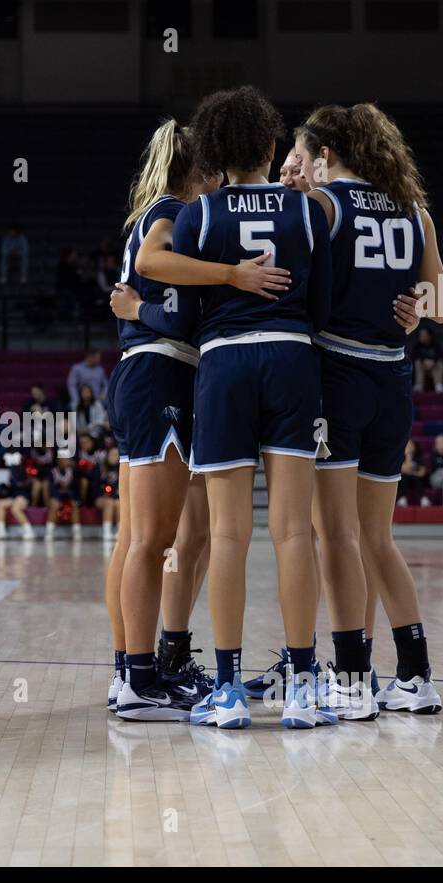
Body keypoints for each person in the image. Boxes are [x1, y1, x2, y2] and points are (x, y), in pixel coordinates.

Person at [116, 88, 338, 729]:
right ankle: (301, 683)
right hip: (293, 359)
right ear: (272, 148)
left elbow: (176, 294)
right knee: (296, 530)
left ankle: (229, 687)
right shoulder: (305, 211)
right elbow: (319, 307)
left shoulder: (200, 216)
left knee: (228, 535)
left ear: (213, 152)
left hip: (223, 367)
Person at [295, 101, 443, 718]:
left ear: (327, 155)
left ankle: (352, 681)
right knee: (376, 538)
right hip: (393, 382)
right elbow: (440, 303)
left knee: (334, 534)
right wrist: (412, 303)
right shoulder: (415, 211)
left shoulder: (327, 205)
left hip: (338, 378)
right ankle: (415, 676)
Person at [0, 451, 34, 540]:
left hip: (24, 497)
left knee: (15, 508)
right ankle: (1, 531)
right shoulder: (11, 471)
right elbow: (9, 487)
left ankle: (29, 530)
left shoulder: (27, 471)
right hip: (14, 497)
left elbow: (28, 486)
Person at [45, 456, 82, 539]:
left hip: (68, 496)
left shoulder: (72, 472)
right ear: (59, 460)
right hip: (56, 496)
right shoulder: (53, 472)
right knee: (55, 505)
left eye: (68, 460)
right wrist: (57, 498)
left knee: (74, 505)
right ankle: (49, 533)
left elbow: (75, 488)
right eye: (64, 459)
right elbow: (51, 488)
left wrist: (73, 499)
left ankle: (77, 532)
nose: (67, 461)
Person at [95, 445, 120, 540]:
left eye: (117, 455)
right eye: (112, 455)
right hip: (100, 497)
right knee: (109, 502)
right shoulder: (100, 468)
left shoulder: (121, 469)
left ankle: (120, 531)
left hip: (115, 498)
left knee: (118, 503)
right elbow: (95, 486)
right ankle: (107, 532)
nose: (115, 457)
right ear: (107, 455)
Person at [411, 326, 443, 392]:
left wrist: (433, 362)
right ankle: (419, 385)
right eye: (420, 335)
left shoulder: (436, 345)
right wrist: (424, 361)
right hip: (422, 368)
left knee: (439, 363)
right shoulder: (417, 346)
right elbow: (415, 355)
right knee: (418, 362)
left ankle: (438, 384)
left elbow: (439, 355)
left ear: (429, 336)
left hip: (434, 368)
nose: (421, 336)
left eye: (423, 335)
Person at [396, 440, 428, 506]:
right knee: (405, 477)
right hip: (404, 480)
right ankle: (403, 498)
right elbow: (403, 470)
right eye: (407, 446)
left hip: (417, 480)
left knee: (414, 477)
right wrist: (408, 456)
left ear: (415, 447)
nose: (409, 448)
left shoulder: (419, 457)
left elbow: (422, 473)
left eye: (411, 445)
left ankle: (423, 498)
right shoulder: (401, 457)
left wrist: (412, 473)